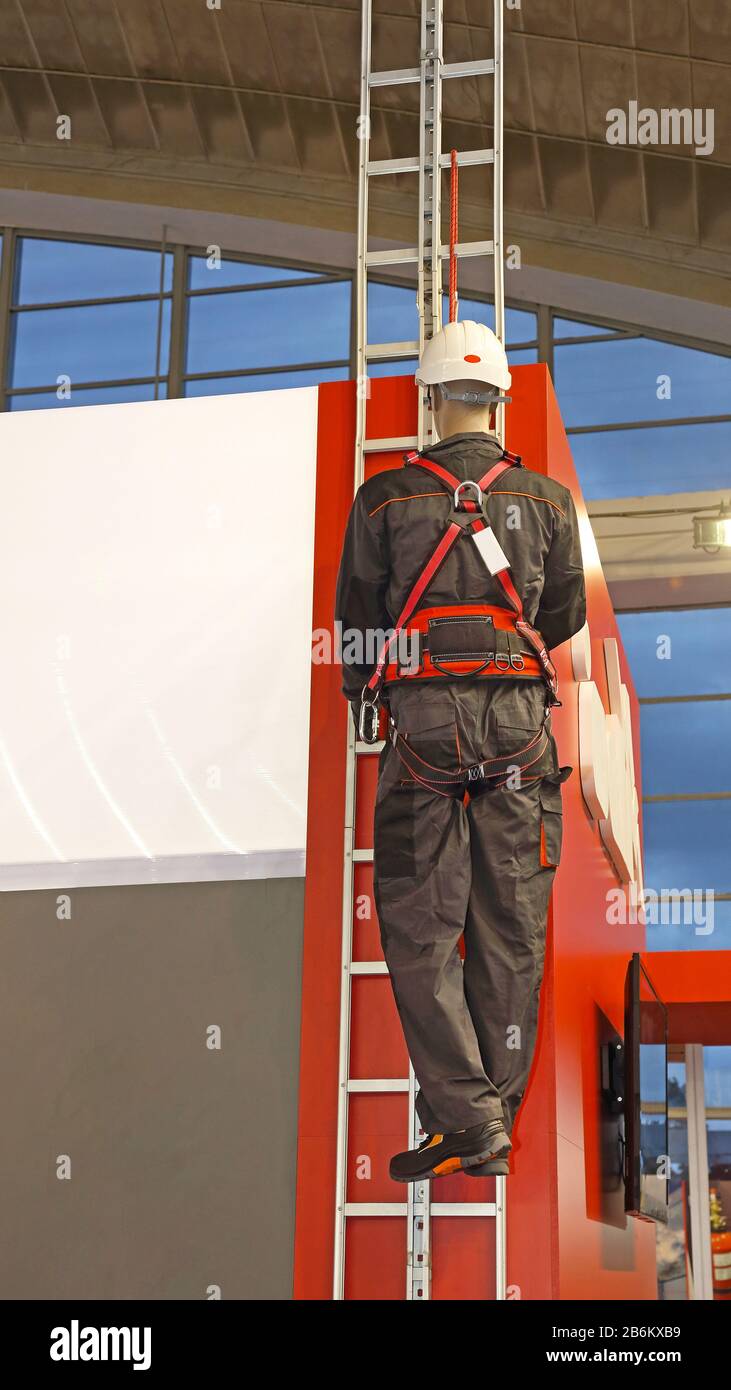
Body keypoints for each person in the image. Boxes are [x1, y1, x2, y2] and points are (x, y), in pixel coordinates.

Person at [335, 320, 586, 1181]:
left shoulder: (384, 497)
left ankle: (468, 1119)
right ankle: (491, 1118)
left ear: (430, 397)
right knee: (510, 926)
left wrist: (363, 702)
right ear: (500, 405)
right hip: (519, 724)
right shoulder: (548, 501)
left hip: (425, 729)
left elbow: (358, 624)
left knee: (418, 928)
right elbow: (561, 619)